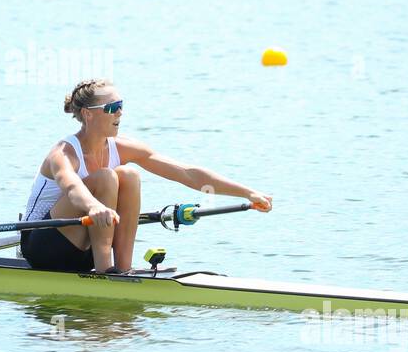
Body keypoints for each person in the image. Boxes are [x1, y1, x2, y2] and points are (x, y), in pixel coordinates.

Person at [20, 78, 272, 274]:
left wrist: (247, 192)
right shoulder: (63, 153)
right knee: (106, 177)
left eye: (121, 106)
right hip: (43, 245)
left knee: (128, 175)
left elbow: (187, 173)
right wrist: (94, 206)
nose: (119, 113)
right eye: (112, 107)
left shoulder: (123, 147)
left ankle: (122, 269)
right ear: (88, 114)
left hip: (84, 247)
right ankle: (106, 270)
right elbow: (73, 187)